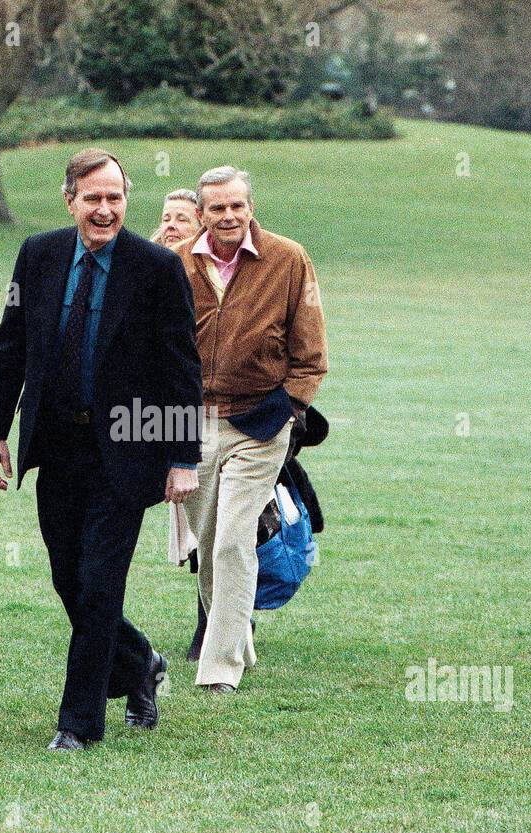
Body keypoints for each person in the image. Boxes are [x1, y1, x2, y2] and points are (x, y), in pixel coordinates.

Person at [0, 148, 202, 750]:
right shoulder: (40, 255)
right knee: (68, 580)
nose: (105, 210)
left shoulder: (156, 267)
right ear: (69, 199)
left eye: (116, 198)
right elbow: (10, 343)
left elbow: (182, 366)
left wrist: (183, 458)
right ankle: (141, 663)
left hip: (129, 450)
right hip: (57, 445)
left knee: (100, 584)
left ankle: (77, 725)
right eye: (93, 198)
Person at [173, 166, 328, 693]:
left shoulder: (288, 259)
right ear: (200, 214)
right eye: (217, 208)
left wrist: (288, 407)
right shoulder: (175, 264)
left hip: (258, 423)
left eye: (237, 206)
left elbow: (311, 354)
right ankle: (235, 633)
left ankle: (218, 669)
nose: (228, 216)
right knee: (208, 538)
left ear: (250, 207)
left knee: (234, 539)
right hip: (188, 424)